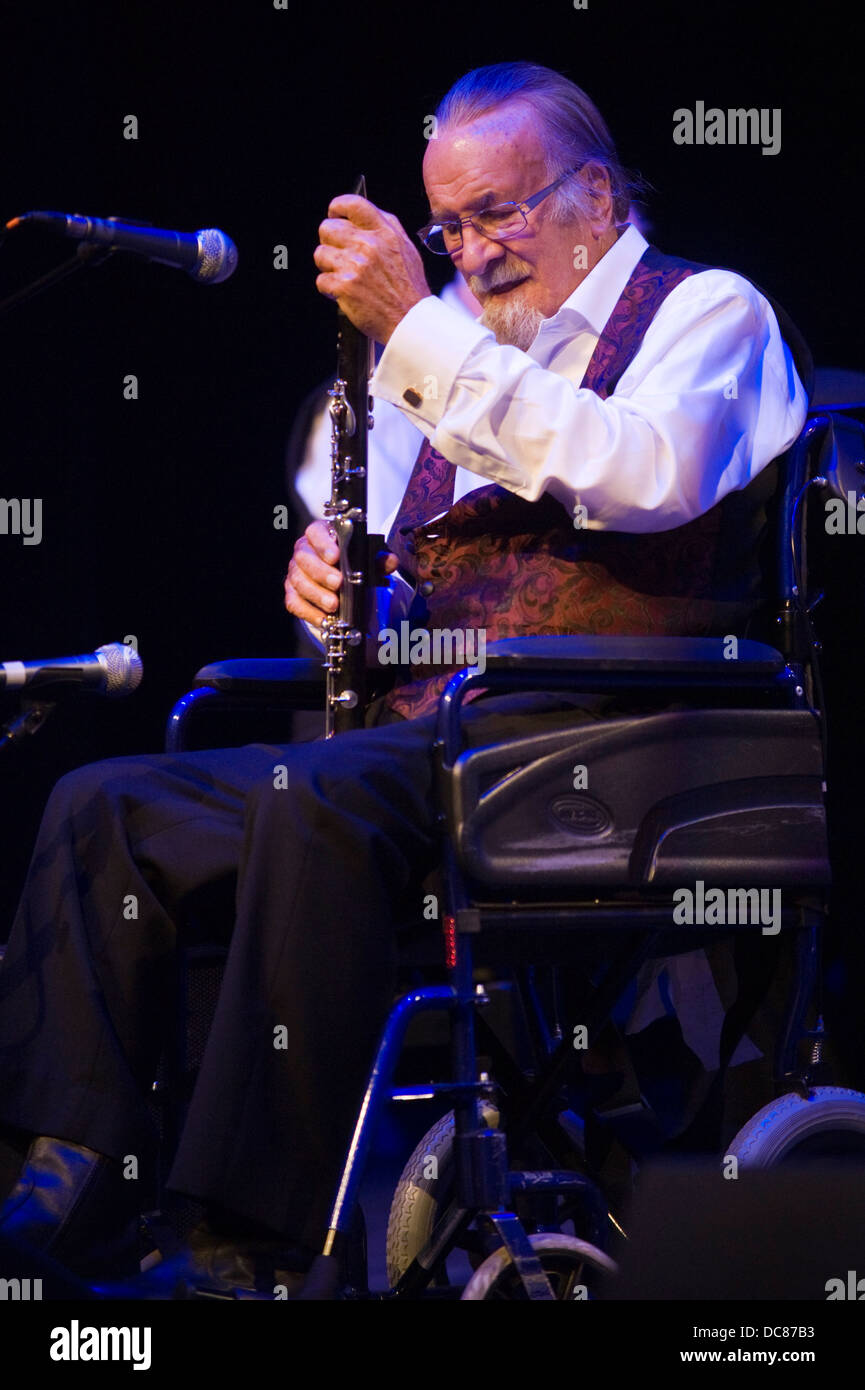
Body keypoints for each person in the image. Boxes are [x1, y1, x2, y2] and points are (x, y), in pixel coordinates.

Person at [0, 61, 809, 1296]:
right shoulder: (444, 358)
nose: (469, 255)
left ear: (593, 194)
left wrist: (415, 325)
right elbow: (381, 557)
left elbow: (638, 473)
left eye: (497, 214)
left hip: (613, 741)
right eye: (448, 226)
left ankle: (251, 1241)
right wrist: (338, 584)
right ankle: (60, 1192)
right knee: (104, 805)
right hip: (436, 744)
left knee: (306, 798)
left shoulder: (707, 315)